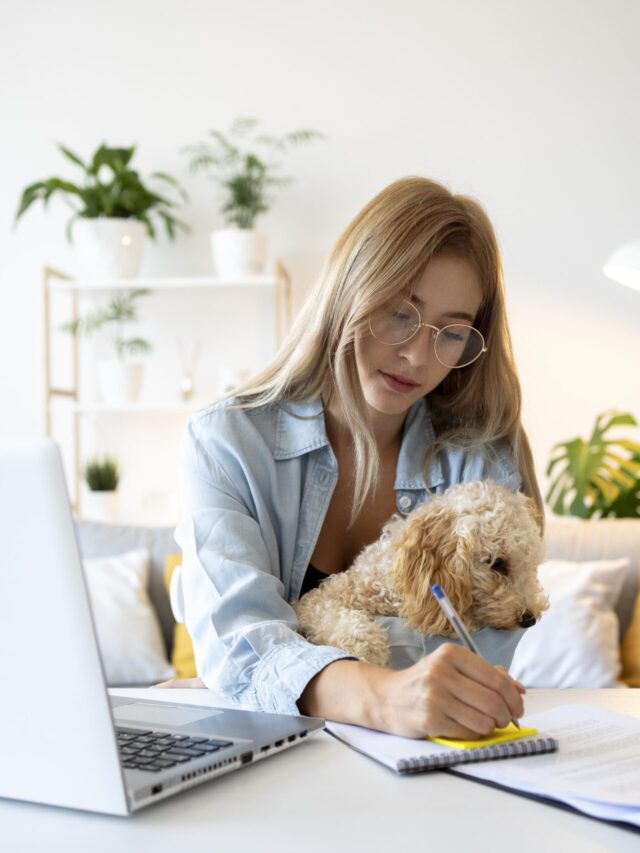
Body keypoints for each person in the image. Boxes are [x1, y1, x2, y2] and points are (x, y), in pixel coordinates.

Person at [167, 176, 542, 739]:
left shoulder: (484, 462)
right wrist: (381, 696)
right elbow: (237, 642)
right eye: (400, 312)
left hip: (428, 762)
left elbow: (480, 657)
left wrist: (274, 663)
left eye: (451, 332)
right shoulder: (226, 442)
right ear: (349, 291)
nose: (417, 355)